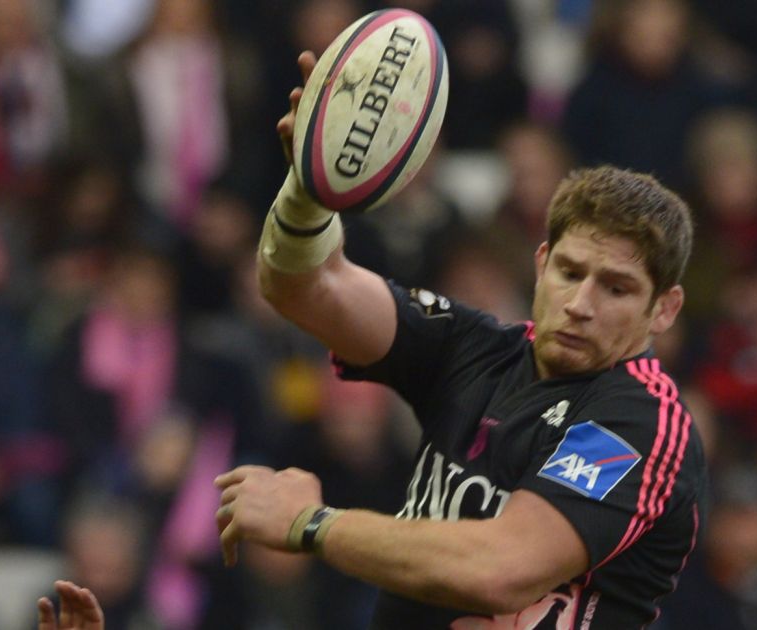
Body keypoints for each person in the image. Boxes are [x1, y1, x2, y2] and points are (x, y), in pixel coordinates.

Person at [212, 51, 707, 629]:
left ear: (664, 310)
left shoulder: (635, 422)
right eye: (570, 273)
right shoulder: (477, 347)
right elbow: (303, 287)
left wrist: (312, 523)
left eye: (617, 289)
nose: (580, 304)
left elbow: (501, 567)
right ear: (541, 263)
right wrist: (306, 192)